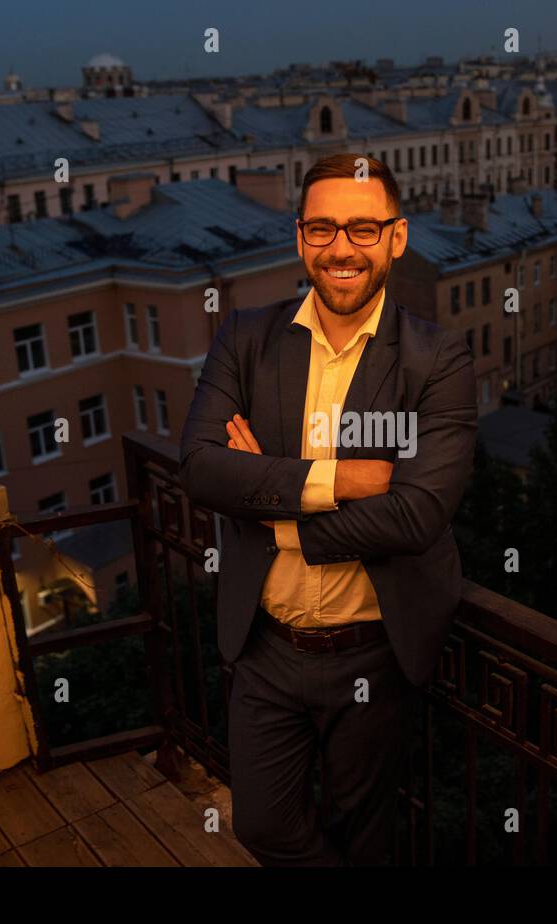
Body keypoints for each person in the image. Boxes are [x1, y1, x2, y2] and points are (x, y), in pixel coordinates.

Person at [179, 153, 477, 865]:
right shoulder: (246, 338)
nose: (341, 247)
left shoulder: (437, 358)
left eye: (363, 228)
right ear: (300, 236)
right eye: (322, 228)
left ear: (397, 238)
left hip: (371, 652)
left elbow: (417, 514)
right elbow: (199, 467)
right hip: (265, 648)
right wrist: (335, 479)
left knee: (364, 833)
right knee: (262, 823)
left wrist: (269, 502)